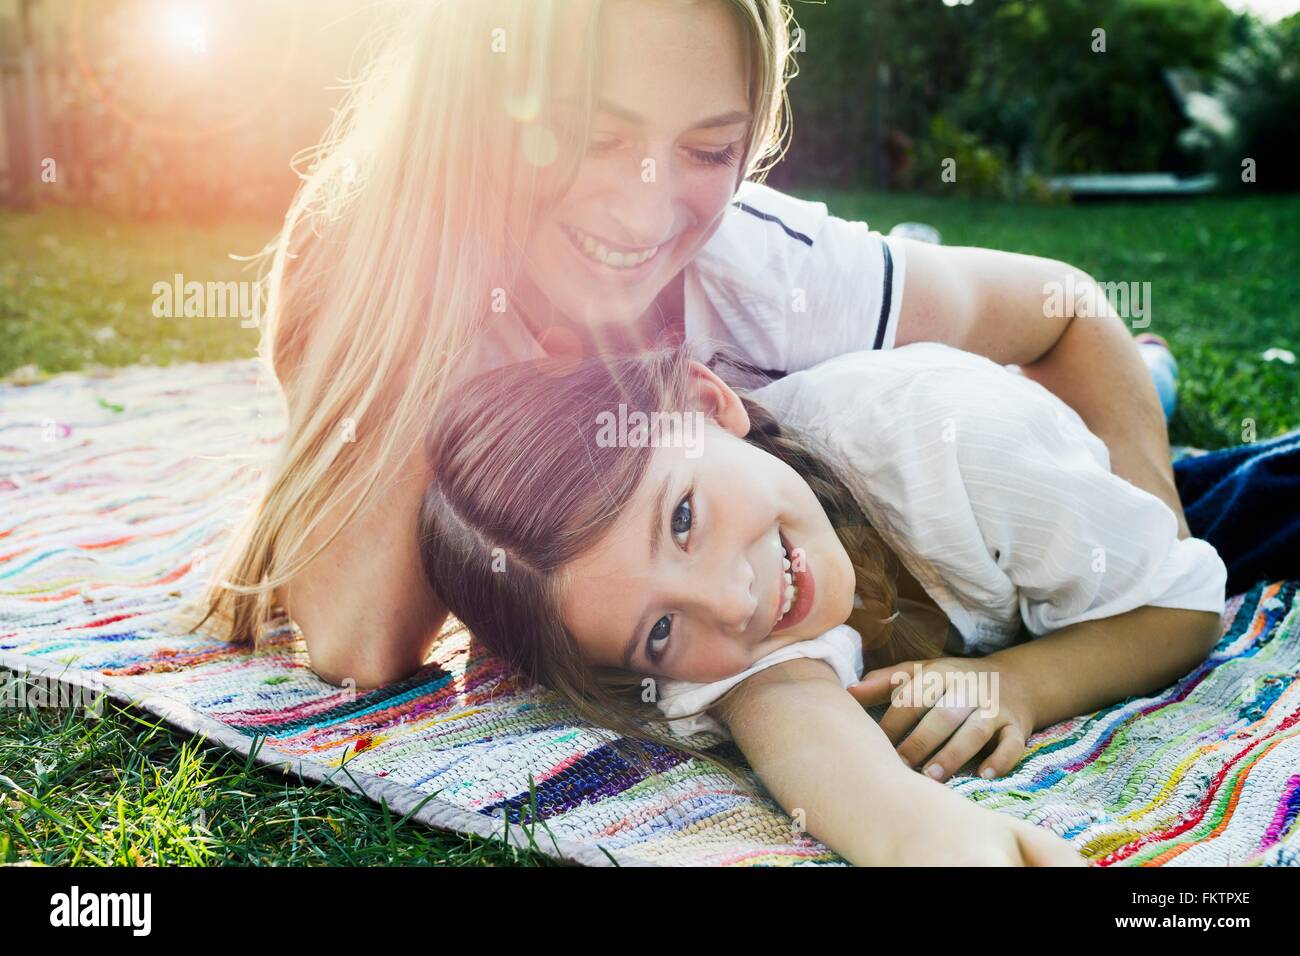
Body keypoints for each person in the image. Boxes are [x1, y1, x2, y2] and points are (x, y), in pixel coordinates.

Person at [196, 0, 1188, 693]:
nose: (643, 209)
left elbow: (1065, 306)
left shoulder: (764, 267)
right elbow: (362, 640)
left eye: (709, 150)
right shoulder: (365, 261)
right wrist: (447, 264)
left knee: (1100, 397)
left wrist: (1157, 553)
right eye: (589, 134)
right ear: (474, 115)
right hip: (851, 437)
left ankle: (1157, 371)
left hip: (923, 411)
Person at [415, 342, 1226, 865]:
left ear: (707, 406)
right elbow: (795, 716)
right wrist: (925, 838)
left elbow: (1185, 603)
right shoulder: (670, 622)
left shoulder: (967, 442)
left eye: (684, 519)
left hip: (1036, 419)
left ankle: (1151, 360)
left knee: (1183, 429)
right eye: (661, 631)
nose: (732, 604)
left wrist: (1023, 682)